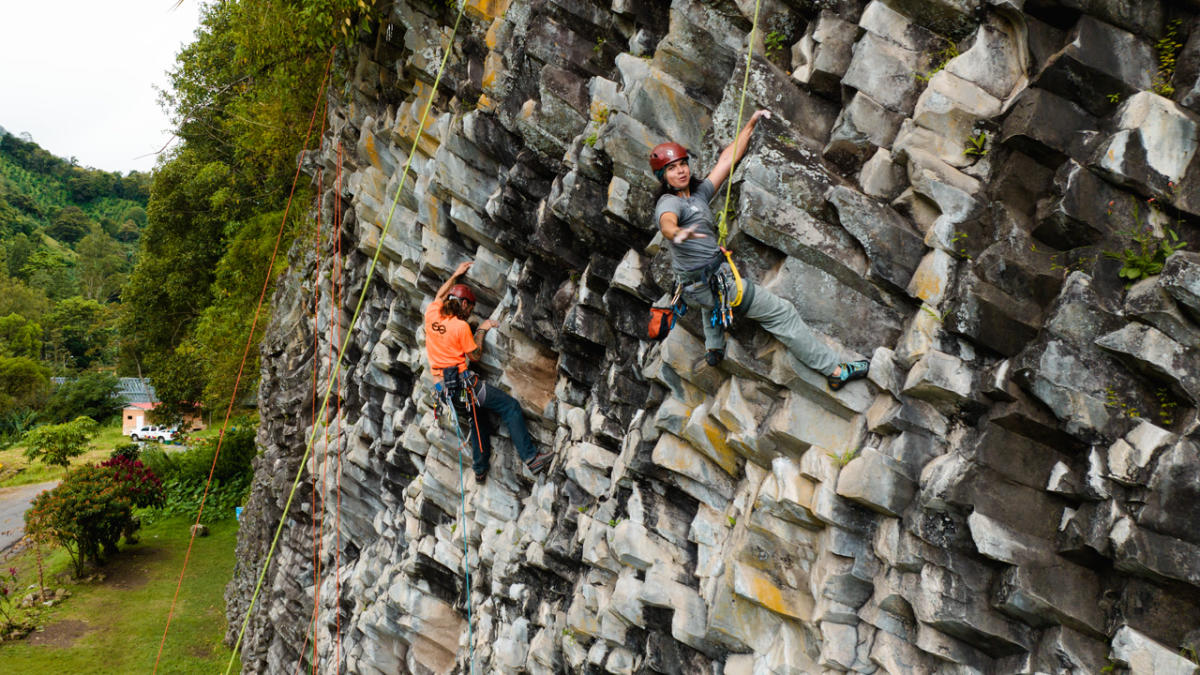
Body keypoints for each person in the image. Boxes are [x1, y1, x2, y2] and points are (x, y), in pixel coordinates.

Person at [651, 110, 870, 390]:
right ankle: (835, 369)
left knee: (711, 291)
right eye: (672, 168)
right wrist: (678, 233)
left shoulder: (698, 195)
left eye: (682, 164)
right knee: (783, 313)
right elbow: (667, 224)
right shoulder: (670, 203)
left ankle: (714, 348)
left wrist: (751, 124)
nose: (680, 171)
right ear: (663, 176)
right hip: (712, 286)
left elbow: (727, 160)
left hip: (697, 284)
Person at [424, 260, 553, 481]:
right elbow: (474, 355)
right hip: (467, 386)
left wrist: (456, 274)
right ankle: (532, 459)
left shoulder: (432, 314)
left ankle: (480, 468)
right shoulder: (460, 327)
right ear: (464, 304)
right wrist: (482, 329)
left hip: (445, 391)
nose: (469, 313)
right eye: (469, 308)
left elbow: (439, 294)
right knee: (510, 407)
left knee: (477, 418)